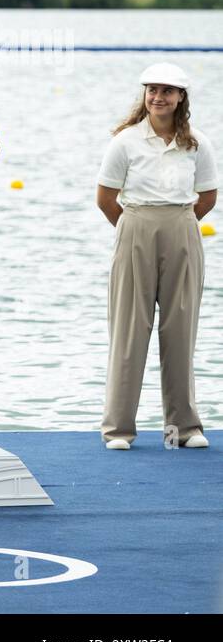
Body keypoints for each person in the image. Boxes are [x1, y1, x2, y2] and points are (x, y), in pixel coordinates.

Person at [96, 63, 216, 450]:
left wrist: (177, 225)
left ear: (181, 97)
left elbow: (208, 195)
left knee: (180, 330)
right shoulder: (125, 142)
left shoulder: (197, 143)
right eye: (152, 90)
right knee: (130, 332)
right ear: (144, 95)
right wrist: (137, 231)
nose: (158, 97)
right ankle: (118, 430)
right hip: (134, 227)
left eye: (167, 91)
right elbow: (105, 199)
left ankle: (183, 429)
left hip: (182, 227)